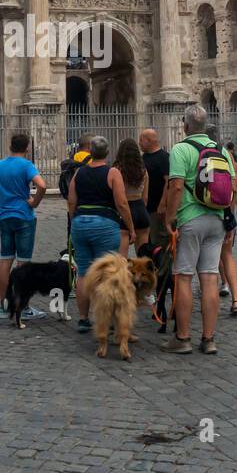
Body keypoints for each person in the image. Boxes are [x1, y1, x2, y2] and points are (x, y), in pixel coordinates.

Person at [161, 106, 232, 354]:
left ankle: (182, 338)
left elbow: (177, 187)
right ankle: (209, 339)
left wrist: (170, 218)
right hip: (217, 219)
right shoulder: (221, 149)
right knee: (210, 277)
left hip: (191, 219)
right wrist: (229, 221)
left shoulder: (181, 149)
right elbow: (231, 186)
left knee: (183, 276)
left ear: (185, 126)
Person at [68, 136, 135, 332]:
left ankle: (82, 319)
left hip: (81, 223)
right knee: (108, 273)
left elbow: (72, 201)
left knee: (83, 273)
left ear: (90, 151)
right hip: (105, 224)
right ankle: (109, 319)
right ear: (107, 153)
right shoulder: (112, 173)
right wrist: (130, 227)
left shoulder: (78, 173)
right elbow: (122, 203)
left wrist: (75, 220)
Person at [0, 132, 47, 322]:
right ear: (27, 148)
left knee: (5, 259)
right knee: (23, 263)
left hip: (5, 216)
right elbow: (42, 185)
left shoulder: (0, 165)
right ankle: (22, 306)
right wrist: (34, 203)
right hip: (24, 217)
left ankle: (4, 305)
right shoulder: (26, 165)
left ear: (10, 146)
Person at [113, 138, 151, 254]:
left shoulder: (116, 170)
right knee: (143, 257)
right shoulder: (143, 170)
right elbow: (145, 198)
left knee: (121, 259)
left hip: (124, 211)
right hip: (140, 210)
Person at [139, 129, 171, 252]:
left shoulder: (164, 158)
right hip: (145, 209)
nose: (139, 143)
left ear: (149, 141)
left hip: (157, 210)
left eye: (141, 140)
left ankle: (161, 270)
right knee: (147, 244)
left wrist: (163, 204)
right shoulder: (143, 158)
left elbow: (168, 182)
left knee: (159, 242)